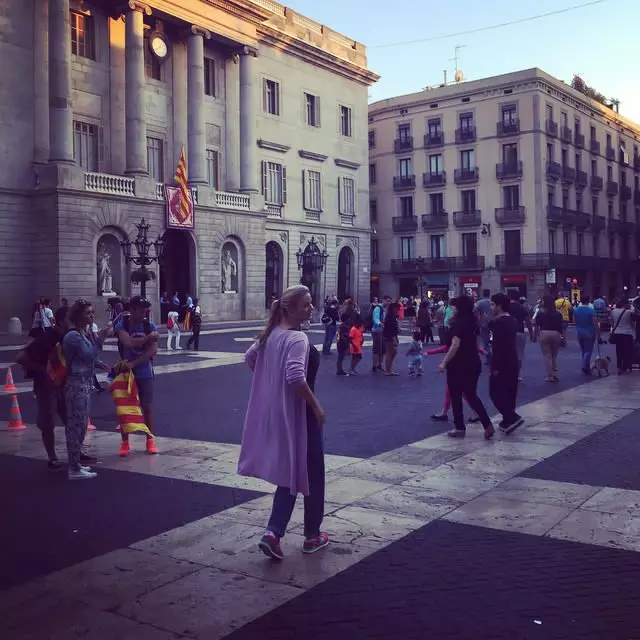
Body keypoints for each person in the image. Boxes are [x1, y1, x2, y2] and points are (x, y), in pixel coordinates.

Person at [238, 285, 328, 561]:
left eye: (311, 303)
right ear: (290, 309)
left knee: (292, 475)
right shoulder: (297, 338)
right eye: (306, 305)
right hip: (300, 416)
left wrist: (271, 383)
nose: (310, 308)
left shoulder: (270, 335)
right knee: (313, 475)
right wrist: (316, 407)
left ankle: (273, 533)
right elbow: (296, 377)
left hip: (279, 414)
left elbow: (250, 358)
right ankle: (312, 536)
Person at [15, 307, 70, 470]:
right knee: (48, 421)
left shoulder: (71, 337)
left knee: (72, 420)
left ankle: (76, 452)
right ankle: (52, 457)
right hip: (46, 387)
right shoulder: (48, 338)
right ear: (61, 321)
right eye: (70, 318)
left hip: (64, 385)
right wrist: (45, 370)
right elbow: (21, 357)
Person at [62, 300, 111, 480]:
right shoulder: (74, 336)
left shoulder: (82, 333)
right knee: (76, 426)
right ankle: (73, 468)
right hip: (75, 385)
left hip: (83, 383)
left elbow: (86, 357)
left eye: (92, 312)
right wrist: (101, 338)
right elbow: (89, 354)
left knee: (81, 425)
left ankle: (76, 463)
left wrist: (99, 364)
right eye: (87, 313)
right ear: (78, 315)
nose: (91, 315)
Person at [437, 295, 494, 439]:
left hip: (458, 364)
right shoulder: (473, 322)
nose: (453, 308)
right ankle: (487, 424)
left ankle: (459, 428)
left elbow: (455, 345)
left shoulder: (457, 323)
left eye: (455, 306)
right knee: (471, 395)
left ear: (460, 307)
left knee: (456, 395)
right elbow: (474, 343)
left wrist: (444, 362)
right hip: (473, 362)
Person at [115, 296, 159, 456]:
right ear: (132, 310)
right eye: (141, 310)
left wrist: (135, 363)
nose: (144, 314)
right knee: (125, 409)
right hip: (126, 373)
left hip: (144, 372)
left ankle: (150, 440)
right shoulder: (123, 324)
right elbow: (128, 343)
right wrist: (148, 338)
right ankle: (125, 442)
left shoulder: (149, 325)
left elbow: (152, 351)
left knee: (147, 407)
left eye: (145, 310)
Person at [489, 293, 523, 433]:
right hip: (512, 359)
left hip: (501, 361)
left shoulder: (499, 322)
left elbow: (497, 346)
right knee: (510, 391)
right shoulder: (513, 320)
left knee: (494, 392)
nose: (491, 307)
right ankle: (507, 421)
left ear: (499, 305)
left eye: (492, 304)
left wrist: (495, 366)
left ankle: (511, 416)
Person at [534, 294, 564, 382]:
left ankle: (550, 376)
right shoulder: (558, 313)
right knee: (554, 355)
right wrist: (563, 338)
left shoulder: (541, 313)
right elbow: (561, 326)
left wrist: (535, 336)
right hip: (556, 333)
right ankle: (554, 374)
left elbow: (536, 326)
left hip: (544, 333)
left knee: (547, 356)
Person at [508, 290, 533, 379]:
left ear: (509, 297)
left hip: (507, 332)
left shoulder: (506, 307)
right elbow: (528, 321)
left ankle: (509, 372)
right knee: (519, 353)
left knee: (508, 352)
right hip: (519, 331)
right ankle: (517, 374)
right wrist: (531, 333)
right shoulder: (521, 308)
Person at [573, 295, 598, 375]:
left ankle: (586, 366)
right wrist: (598, 334)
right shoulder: (591, 310)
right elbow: (595, 323)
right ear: (588, 301)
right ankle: (585, 366)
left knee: (583, 350)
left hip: (579, 331)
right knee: (588, 350)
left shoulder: (576, 310)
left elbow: (574, 321)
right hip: (589, 332)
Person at [610, 298, 635, 374]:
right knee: (627, 351)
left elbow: (611, 322)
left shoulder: (613, 311)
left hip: (618, 333)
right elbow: (632, 323)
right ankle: (626, 366)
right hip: (628, 333)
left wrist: (616, 327)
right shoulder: (629, 312)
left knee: (619, 351)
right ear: (625, 304)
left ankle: (619, 367)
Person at [474, 289, 493, 365]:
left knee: (485, 342)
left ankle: (490, 358)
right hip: (494, 323)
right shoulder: (492, 302)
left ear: (483, 294)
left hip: (484, 324)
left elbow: (474, 311)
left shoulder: (479, 303)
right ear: (489, 294)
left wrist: (477, 321)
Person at [382, 301, 400, 376]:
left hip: (389, 336)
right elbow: (391, 329)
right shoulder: (391, 318)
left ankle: (389, 369)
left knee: (391, 353)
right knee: (390, 353)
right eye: (398, 309)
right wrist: (394, 339)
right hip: (391, 337)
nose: (398, 310)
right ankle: (388, 370)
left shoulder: (390, 316)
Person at [370, 297, 387, 372]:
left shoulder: (385, 308)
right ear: (383, 300)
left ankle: (379, 365)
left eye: (389, 301)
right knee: (377, 348)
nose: (388, 303)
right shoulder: (378, 308)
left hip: (383, 331)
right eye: (387, 301)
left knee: (383, 349)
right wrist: (379, 323)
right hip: (376, 330)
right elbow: (375, 318)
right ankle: (374, 366)